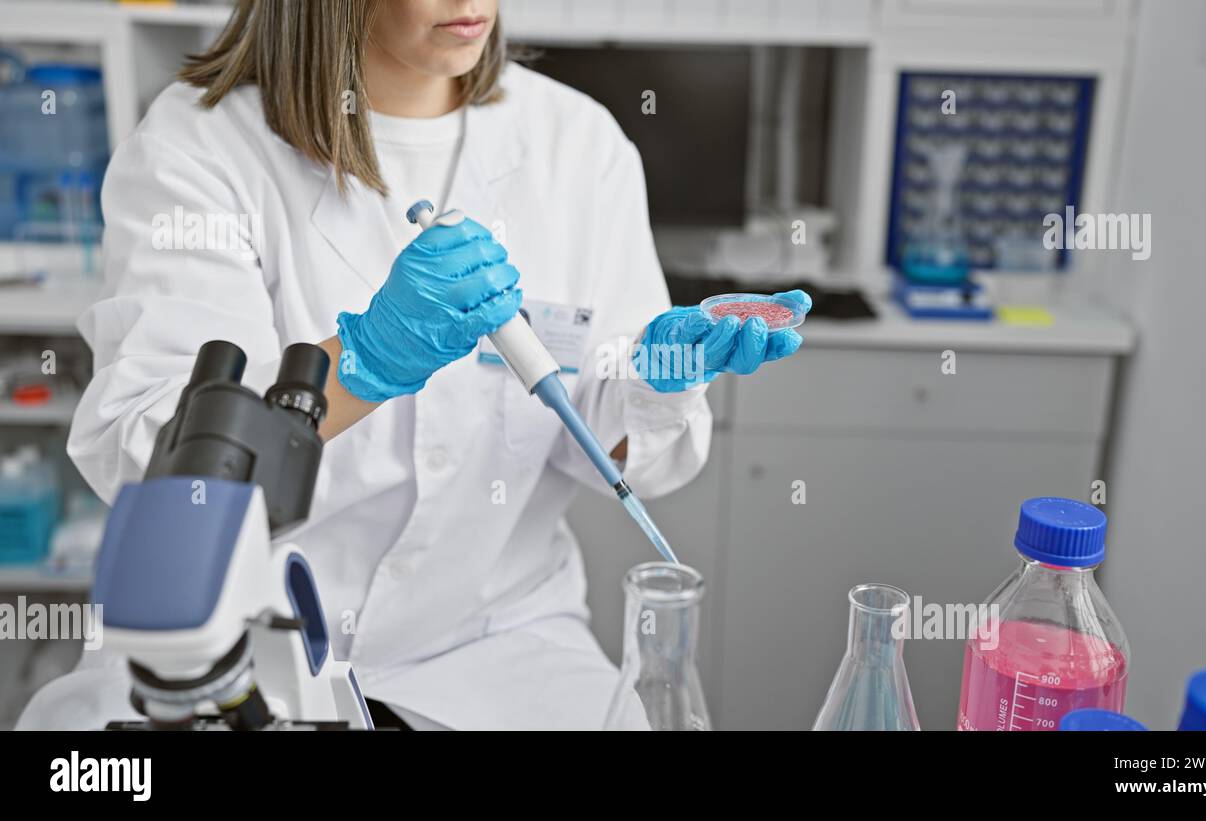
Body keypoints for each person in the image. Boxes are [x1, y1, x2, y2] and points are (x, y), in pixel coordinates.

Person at [19, 0, 808, 730]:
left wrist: (654, 382)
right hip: (242, 631)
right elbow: (147, 455)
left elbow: (608, 442)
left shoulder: (581, 144)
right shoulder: (198, 147)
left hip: (503, 641)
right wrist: (364, 359)